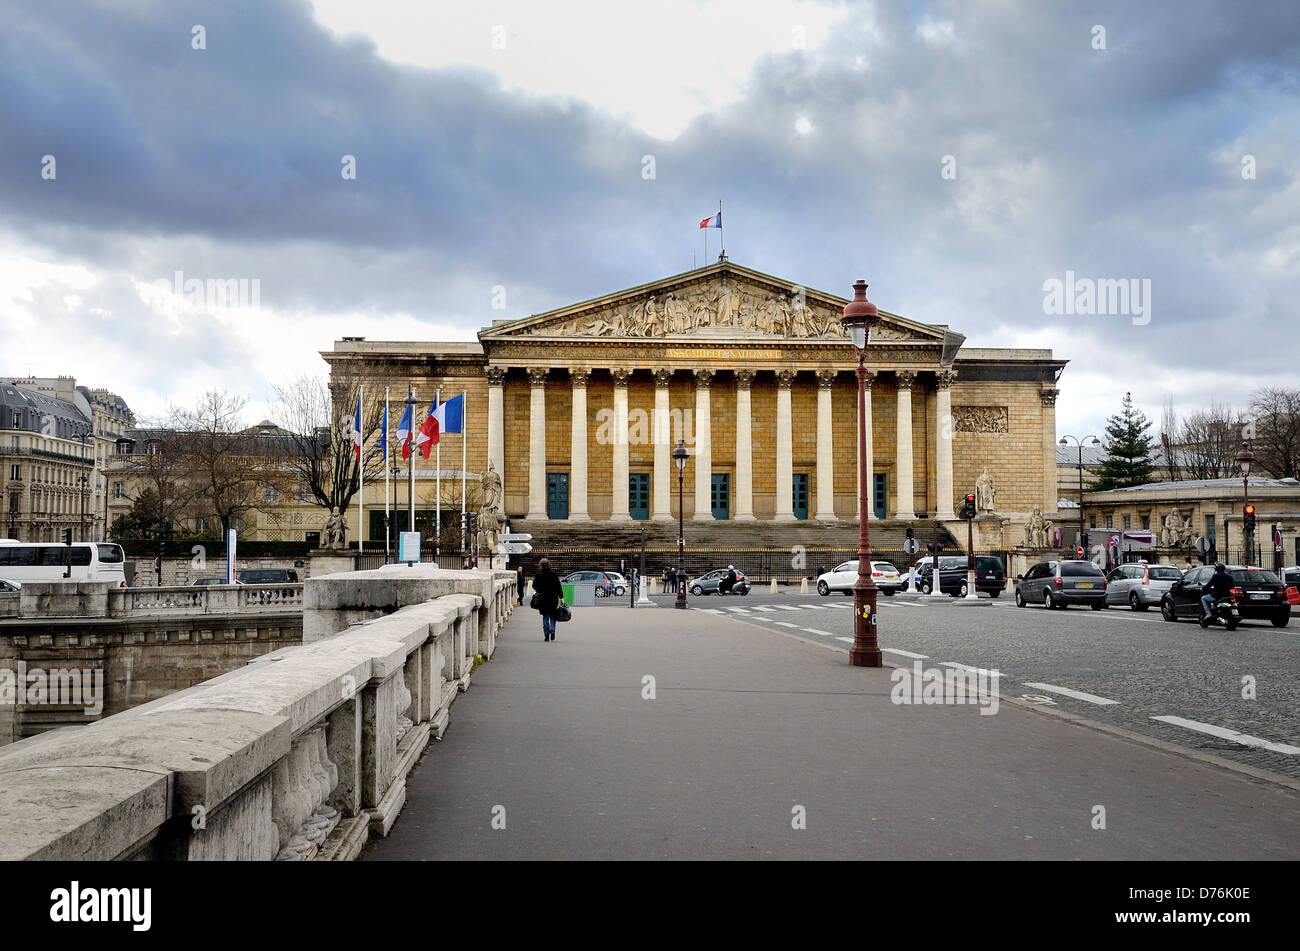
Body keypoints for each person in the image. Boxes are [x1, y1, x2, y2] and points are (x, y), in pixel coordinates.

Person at [532, 557, 563, 642]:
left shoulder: (538, 574)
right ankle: (552, 629)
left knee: (545, 617)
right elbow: (558, 587)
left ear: (540, 565)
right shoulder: (554, 574)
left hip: (543, 599)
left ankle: (546, 635)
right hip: (553, 598)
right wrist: (561, 597)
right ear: (549, 564)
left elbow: (534, 586)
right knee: (553, 615)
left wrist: (540, 589)